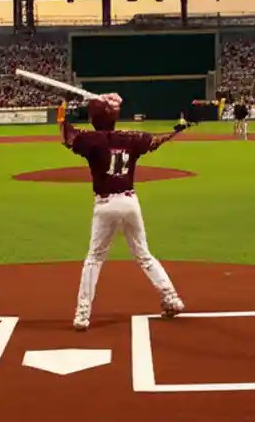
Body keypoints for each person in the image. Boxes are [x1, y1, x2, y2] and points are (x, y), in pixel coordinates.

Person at [59, 94, 188, 331]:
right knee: (144, 255)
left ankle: (82, 313)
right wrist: (178, 129)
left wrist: (62, 109)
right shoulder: (130, 138)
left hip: (105, 206)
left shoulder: (92, 141)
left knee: (94, 259)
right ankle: (171, 298)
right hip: (130, 203)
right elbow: (157, 141)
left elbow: (67, 137)